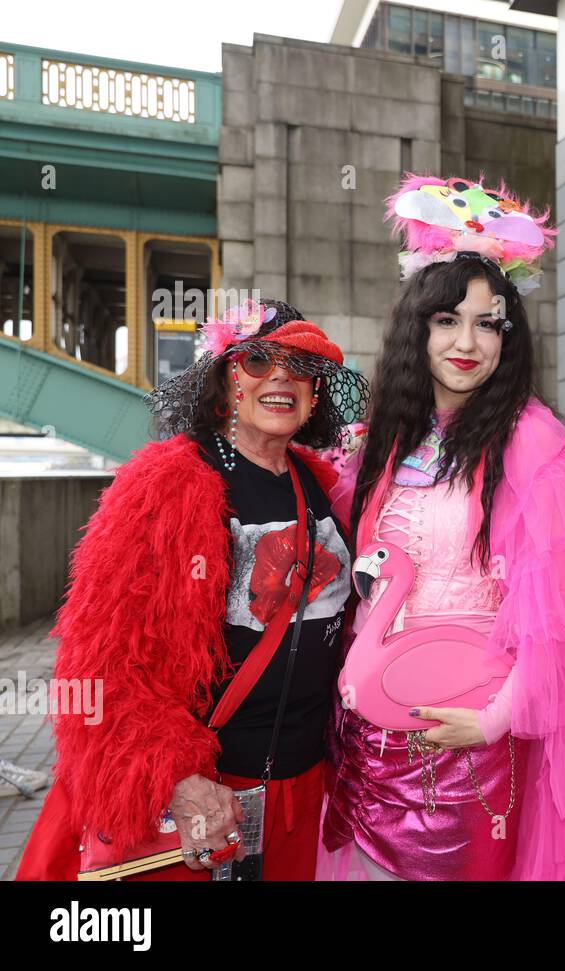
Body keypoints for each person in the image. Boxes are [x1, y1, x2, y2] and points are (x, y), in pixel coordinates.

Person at [317, 173, 565, 881]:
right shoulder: (385, 444)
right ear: (417, 327)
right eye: (448, 319)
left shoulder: (530, 444)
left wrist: (492, 721)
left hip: (480, 744)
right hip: (377, 744)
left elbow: (562, 622)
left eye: (488, 322)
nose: (468, 341)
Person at [17, 300, 368, 880]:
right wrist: (177, 778)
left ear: (314, 394)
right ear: (226, 378)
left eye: (299, 365)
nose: (280, 376)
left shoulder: (325, 485)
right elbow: (98, 661)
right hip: (200, 800)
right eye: (259, 359)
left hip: (305, 794)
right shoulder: (164, 485)